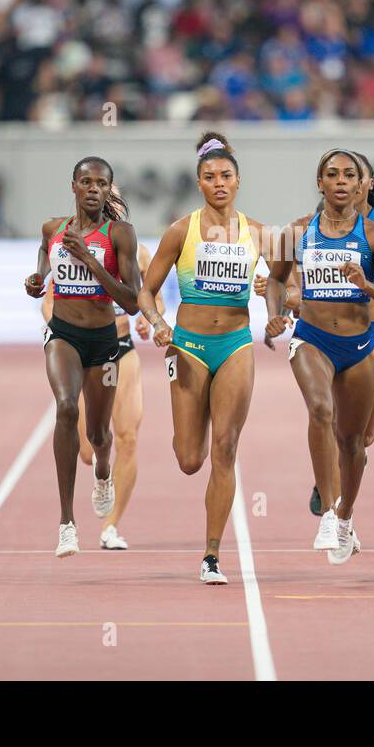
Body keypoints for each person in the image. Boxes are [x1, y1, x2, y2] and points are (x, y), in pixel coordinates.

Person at [264, 149, 374, 565]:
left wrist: (369, 285)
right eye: (333, 174)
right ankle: (328, 511)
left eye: (349, 174)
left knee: (354, 442)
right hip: (311, 339)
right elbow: (276, 280)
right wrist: (275, 316)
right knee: (320, 409)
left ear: (360, 184)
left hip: (361, 345)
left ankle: (346, 515)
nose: (342, 181)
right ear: (320, 183)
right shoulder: (296, 232)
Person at [137, 133, 272, 584]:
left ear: (238, 182)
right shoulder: (182, 230)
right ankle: (191, 432)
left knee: (226, 449)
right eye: (210, 177)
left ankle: (212, 554)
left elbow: (289, 287)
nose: (219, 183)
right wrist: (157, 323)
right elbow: (146, 291)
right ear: (199, 183)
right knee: (190, 458)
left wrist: (275, 293)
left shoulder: (258, 233)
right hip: (189, 346)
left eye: (226, 176)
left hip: (235, 344)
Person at [24, 157, 141, 558]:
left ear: (109, 190)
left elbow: (132, 300)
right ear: (73, 186)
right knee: (66, 407)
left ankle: (103, 473)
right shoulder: (53, 229)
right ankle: (66, 522)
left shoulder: (121, 235)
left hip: (104, 342)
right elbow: (43, 253)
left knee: (99, 435)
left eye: (101, 184)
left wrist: (90, 260)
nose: (93, 189)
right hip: (64, 334)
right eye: (86, 182)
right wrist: (38, 280)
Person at [41, 184, 162, 550]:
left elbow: (149, 299)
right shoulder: (66, 239)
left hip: (121, 351)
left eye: (111, 196)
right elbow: (49, 299)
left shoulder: (135, 249)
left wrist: (151, 321)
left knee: (128, 438)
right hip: (79, 346)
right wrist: (60, 326)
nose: (104, 200)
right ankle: (100, 473)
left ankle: (111, 526)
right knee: (89, 448)